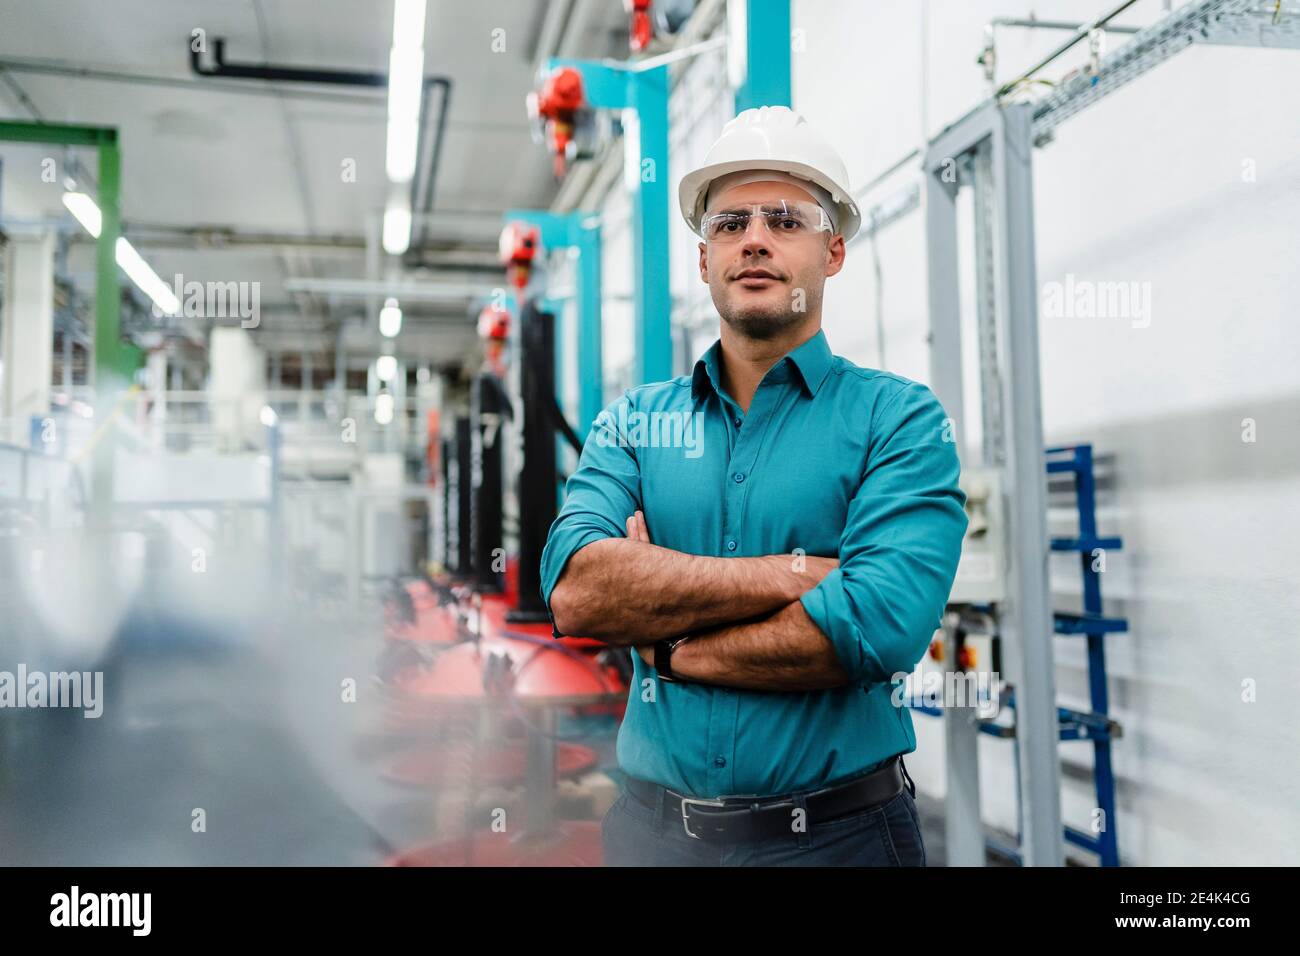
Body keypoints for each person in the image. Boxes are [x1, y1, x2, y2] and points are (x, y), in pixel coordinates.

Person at [540, 106, 968, 866]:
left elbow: (875, 626)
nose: (755, 238)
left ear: (833, 252)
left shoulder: (897, 420)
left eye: (786, 219)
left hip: (840, 842)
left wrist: (666, 643)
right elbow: (577, 593)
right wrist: (795, 575)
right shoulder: (634, 424)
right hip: (653, 840)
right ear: (704, 259)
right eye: (730, 221)